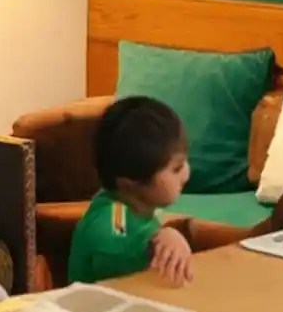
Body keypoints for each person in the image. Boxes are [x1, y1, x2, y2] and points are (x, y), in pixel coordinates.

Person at [66, 96, 196, 286]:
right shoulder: (115, 212)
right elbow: (116, 242)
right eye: (176, 168)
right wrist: (157, 241)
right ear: (129, 183)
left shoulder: (136, 206)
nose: (186, 173)